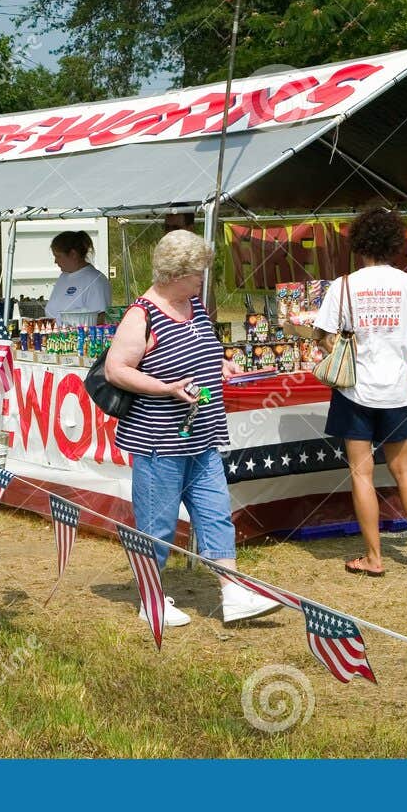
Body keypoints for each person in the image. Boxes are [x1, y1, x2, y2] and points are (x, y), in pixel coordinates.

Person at [105, 230, 281, 627]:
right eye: (198, 273)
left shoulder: (195, 305)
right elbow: (117, 370)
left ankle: (233, 591)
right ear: (174, 273)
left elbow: (202, 349)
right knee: (157, 522)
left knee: (216, 513)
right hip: (159, 439)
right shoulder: (142, 314)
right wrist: (167, 388)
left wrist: (222, 366)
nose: (203, 280)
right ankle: (151, 600)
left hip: (203, 434)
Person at [314, 207, 407, 576]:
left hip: (354, 390)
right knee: (404, 470)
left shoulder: (344, 286)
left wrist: (347, 346)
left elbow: (322, 336)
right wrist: (394, 337)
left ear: (359, 245)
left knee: (361, 473)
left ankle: (374, 558)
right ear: (394, 244)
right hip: (396, 391)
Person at [45, 230, 112, 322]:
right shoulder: (63, 277)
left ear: (73, 254)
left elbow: (100, 318)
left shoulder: (96, 280)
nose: (55, 261)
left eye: (58, 256)